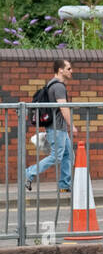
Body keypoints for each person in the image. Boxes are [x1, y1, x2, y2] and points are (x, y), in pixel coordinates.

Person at [24, 58, 77, 195]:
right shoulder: (58, 86)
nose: (72, 71)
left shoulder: (52, 84)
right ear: (60, 70)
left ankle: (64, 185)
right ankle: (29, 173)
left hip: (59, 128)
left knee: (68, 155)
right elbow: (63, 107)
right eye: (69, 68)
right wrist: (72, 125)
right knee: (57, 156)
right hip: (57, 128)